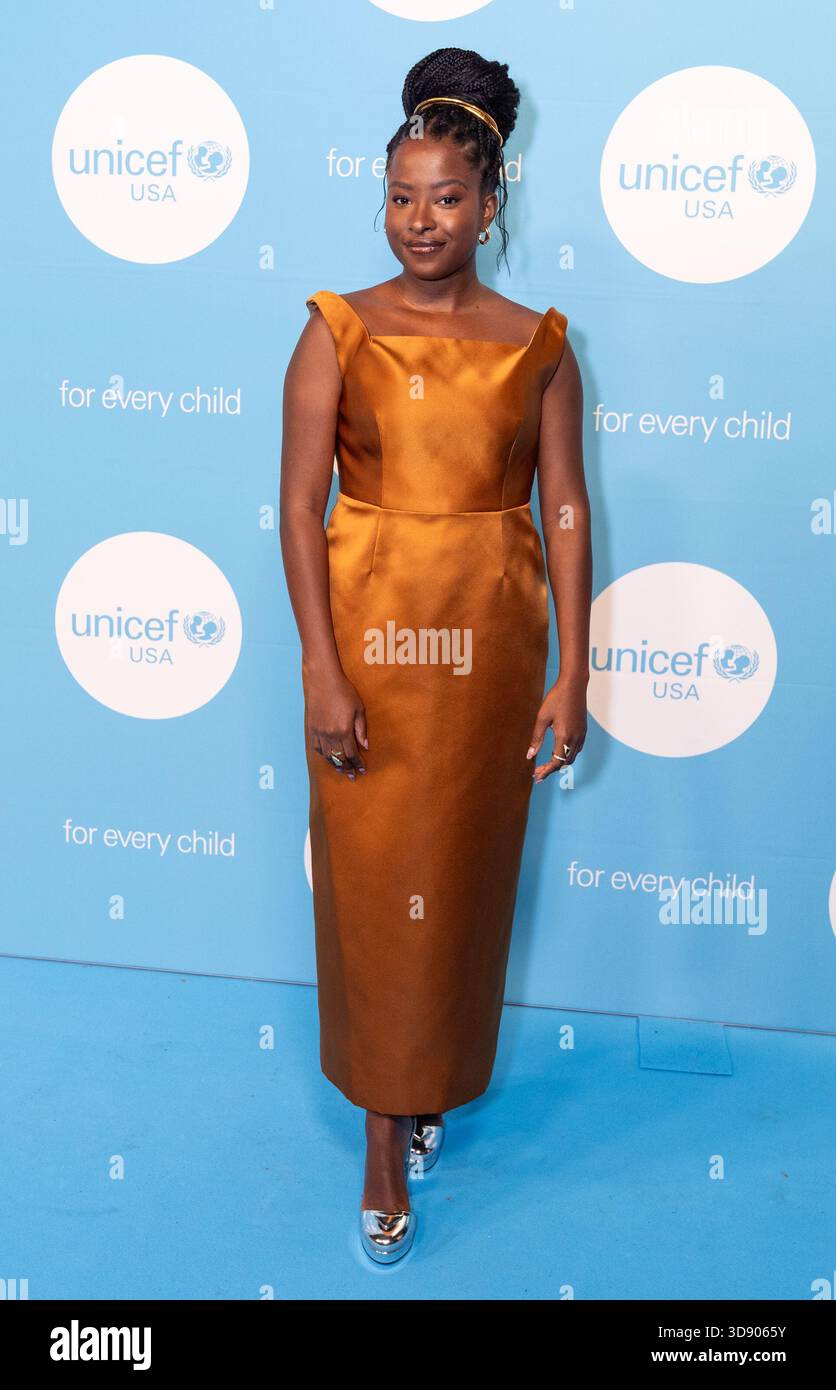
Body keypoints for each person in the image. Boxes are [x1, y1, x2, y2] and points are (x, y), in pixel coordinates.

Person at [280, 45, 591, 1264]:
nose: (421, 221)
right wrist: (320, 663)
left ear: (491, 202)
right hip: (366, 638)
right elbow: (299, 505)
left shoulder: (539, 345)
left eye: (447, 199)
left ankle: (425, 1094)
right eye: (402, 197)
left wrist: (572, 668)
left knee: (455, 881)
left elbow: (562, 506)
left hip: (490, 646)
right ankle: (376, 1135)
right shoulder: (335, 331)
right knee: (371, 886)